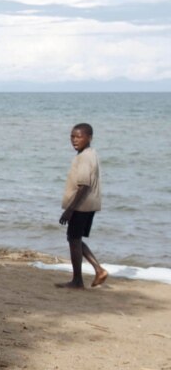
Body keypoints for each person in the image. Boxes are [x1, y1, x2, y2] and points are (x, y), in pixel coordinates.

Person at [57, 123, 107, 289]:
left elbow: (84, 185)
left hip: (81, 205)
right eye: (72, 136)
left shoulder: (85, 157)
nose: (74, 140)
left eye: (79, 136)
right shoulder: (90, 153)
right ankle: (98, 270)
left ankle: (79, 280)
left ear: (89, 138)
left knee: (73, 238)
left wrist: (69, 210)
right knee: (74, 238)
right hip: (88, 204)